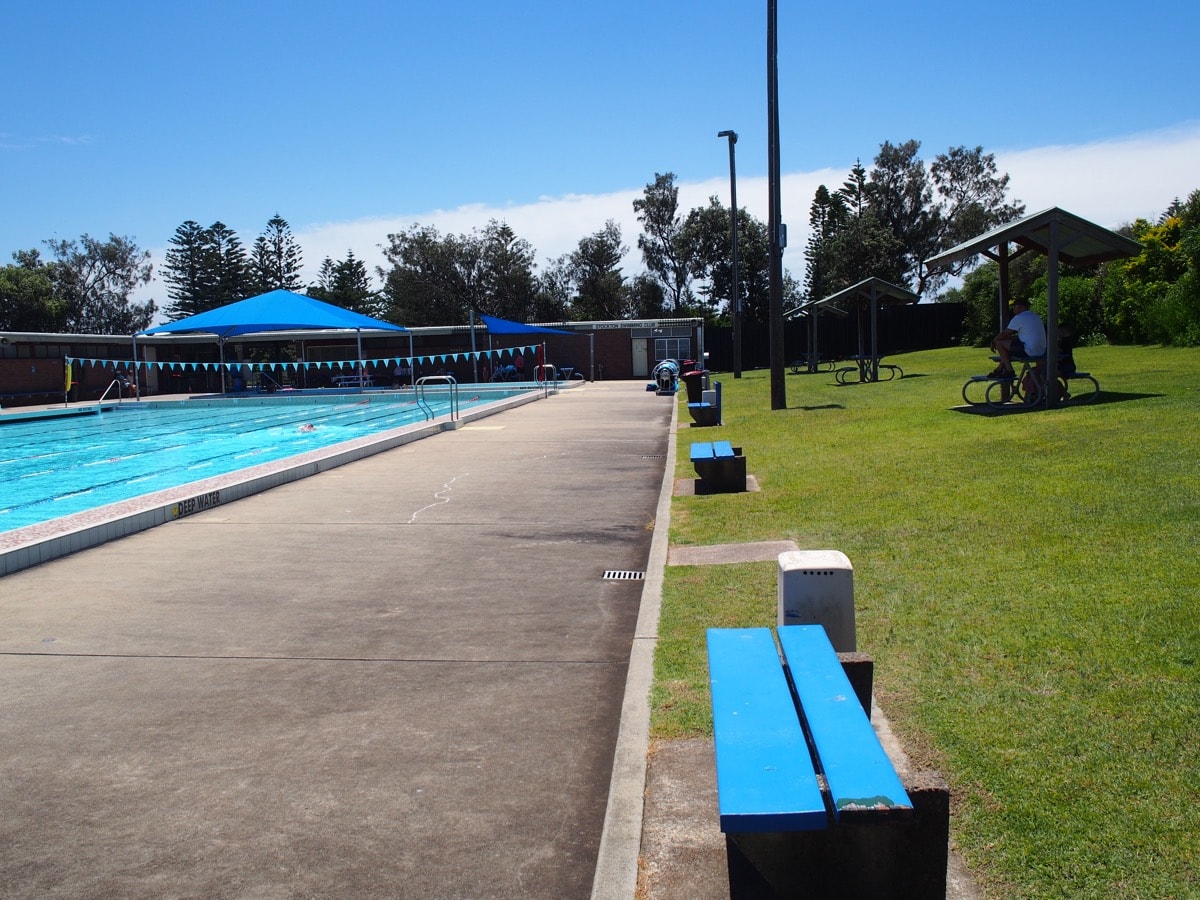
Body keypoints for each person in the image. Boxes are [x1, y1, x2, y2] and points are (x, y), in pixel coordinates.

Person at [990, 298, 1046, 377]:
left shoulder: (1020, 317)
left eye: (1015, 307)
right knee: (1007, 345)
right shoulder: (1035, 316)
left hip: (1029, 351)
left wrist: (993, 341)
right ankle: (999, 368)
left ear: (1021, 307)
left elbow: (1004, 333)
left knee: (999, 343)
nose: (1013, 309)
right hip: (1041, 351)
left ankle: (1009, 370)